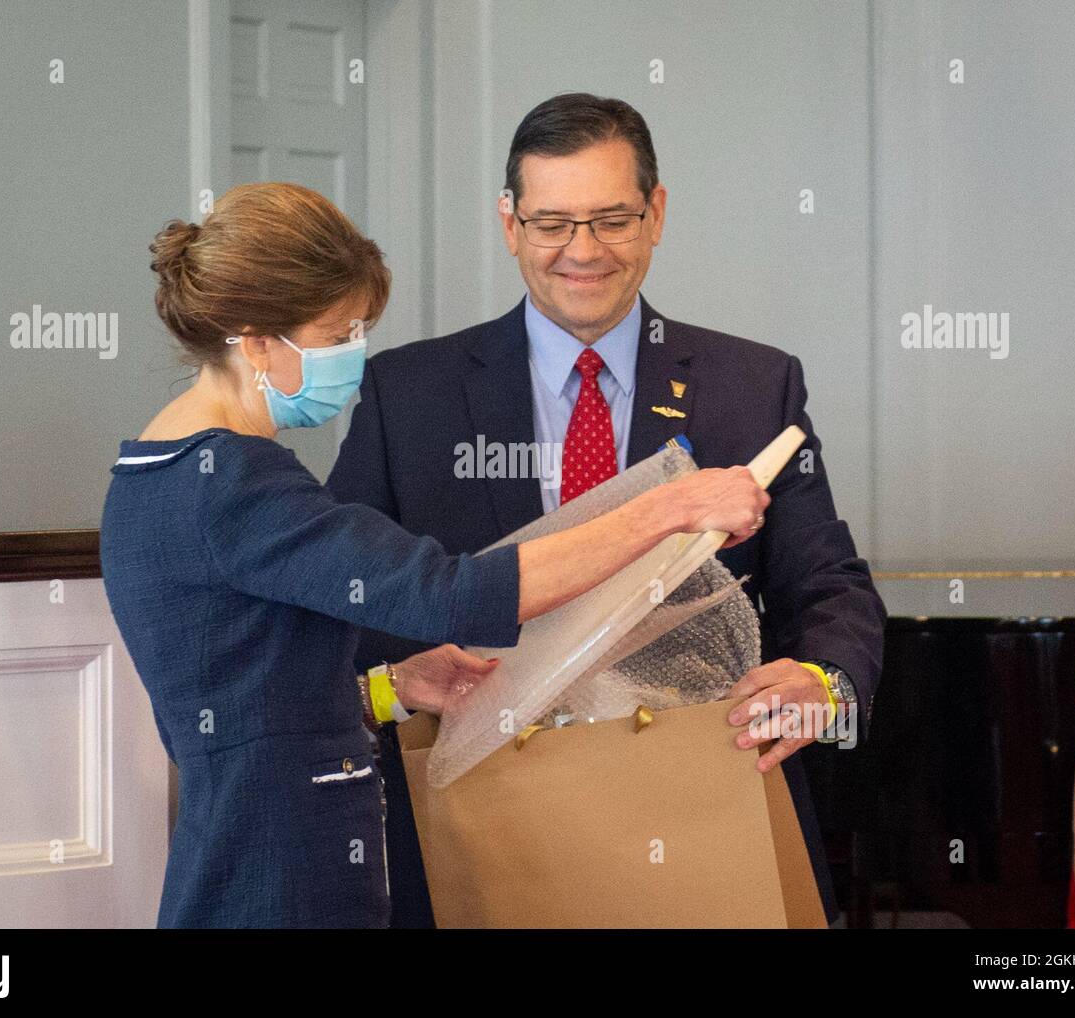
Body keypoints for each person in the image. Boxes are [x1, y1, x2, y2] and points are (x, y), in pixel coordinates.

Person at [98, 181, 772, 928]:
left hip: (241, 862)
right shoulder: (236, 481)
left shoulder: (150, 474)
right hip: (280, 881)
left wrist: (390, 689)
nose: (355, 355)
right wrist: (667, 507)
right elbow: (449, 594)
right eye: (337, 334)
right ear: (256, 341)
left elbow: (242, 699)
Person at [329, 93, 888, 927]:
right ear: (509, 223)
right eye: (551, 223)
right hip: (486, 826)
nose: (581, 252)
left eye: (611, 219)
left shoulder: (754, 385)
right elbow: (345, 600)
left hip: (697, 808)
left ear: (656, 213)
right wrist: (394, 685)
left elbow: (830, 584)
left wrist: (825, 680)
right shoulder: (407, 393)